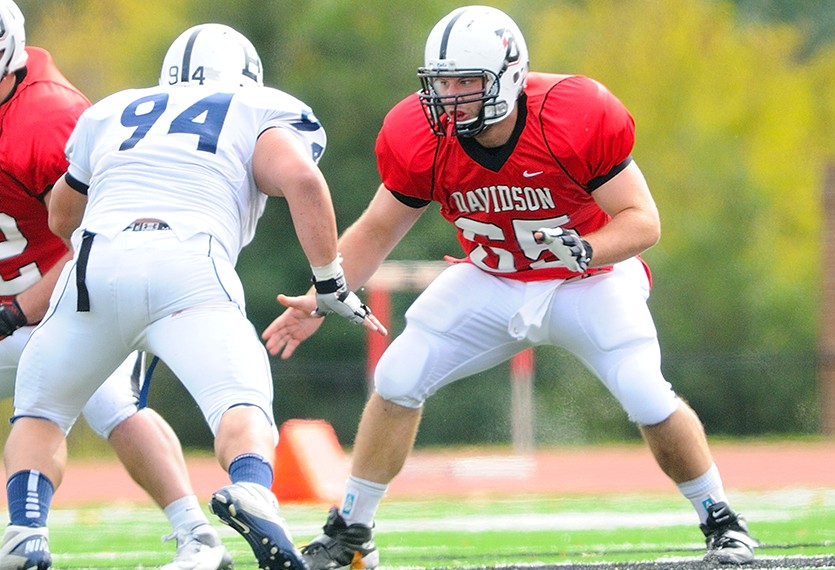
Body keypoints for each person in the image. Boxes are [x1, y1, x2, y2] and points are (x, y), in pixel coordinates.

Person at [262, 5, 760, 568]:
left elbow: (643, 220)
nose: (451, 96)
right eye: (441, 82)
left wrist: (586, 249)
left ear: (510, 75)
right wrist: (325, 291)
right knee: (398, 376)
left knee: (645, 391)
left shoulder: (573, 116)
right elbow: (378, 228)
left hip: (588, 279)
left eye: (466, 82)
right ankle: (353, 529)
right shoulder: (422, 135)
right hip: (495, 277)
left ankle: (722, 520)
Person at [0, 21, 384, 570]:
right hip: (189, 258)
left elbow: (61, 215)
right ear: (248, 78)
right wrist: (329, 282)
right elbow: (303, 180)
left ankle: (25, 533)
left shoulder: (112, 111)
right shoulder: (255, 109)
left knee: (41, 413)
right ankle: (250, 487)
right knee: (239, 402)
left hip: (96, 261)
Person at [0, 2, 231, 569]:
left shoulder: (49, 118)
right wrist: (8, 312)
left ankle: (198, 537)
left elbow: (105, 228)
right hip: (0, 312)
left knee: (113, 405)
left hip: (82, 303)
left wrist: (22, 308)